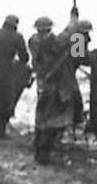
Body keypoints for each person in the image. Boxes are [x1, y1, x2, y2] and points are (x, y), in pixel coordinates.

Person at [32, 18, 92, 163]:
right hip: (59, 84)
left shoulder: (35, 40)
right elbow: (79, 57)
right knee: (56, 118)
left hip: (46, 83)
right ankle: (44, 153)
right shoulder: (57, 41)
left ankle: (41, 148)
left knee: (43, 116)